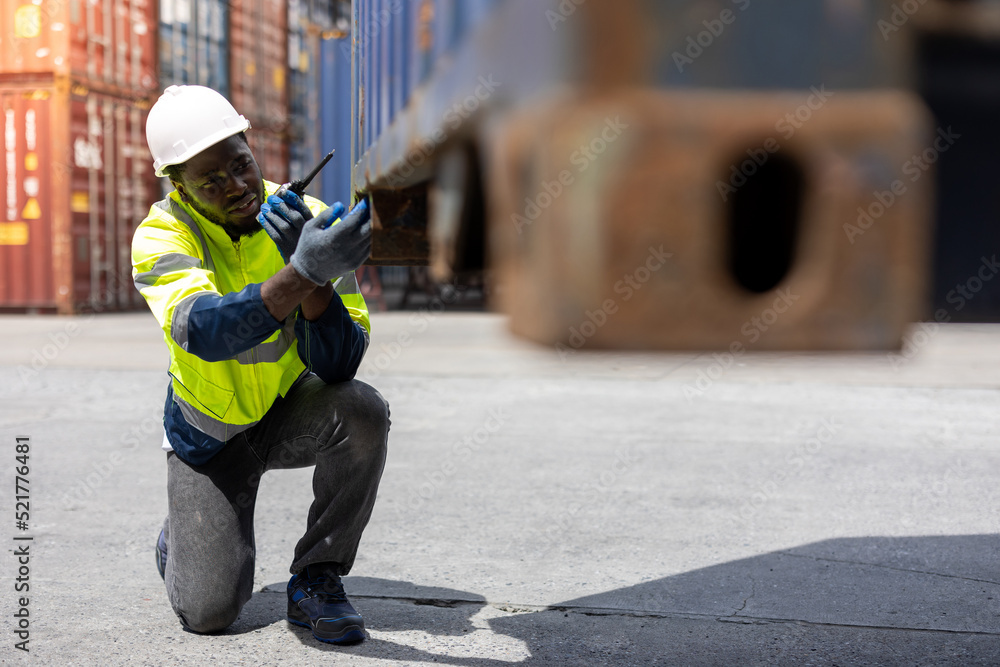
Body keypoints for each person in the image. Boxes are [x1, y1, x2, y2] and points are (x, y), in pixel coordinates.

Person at [131, 84, 389, 646]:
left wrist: (316, 281)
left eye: (240, 164)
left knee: (363, 410)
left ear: (251, 146)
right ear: (178, 185)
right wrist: (301, 273)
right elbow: (205, 331)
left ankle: (317, 578)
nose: (236, 186)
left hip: (287, 414)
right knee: (210, 613)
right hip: (212, 438)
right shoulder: (161, 236)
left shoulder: (308, 221)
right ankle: (180, 539)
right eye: (210, 181)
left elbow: (341, 363)